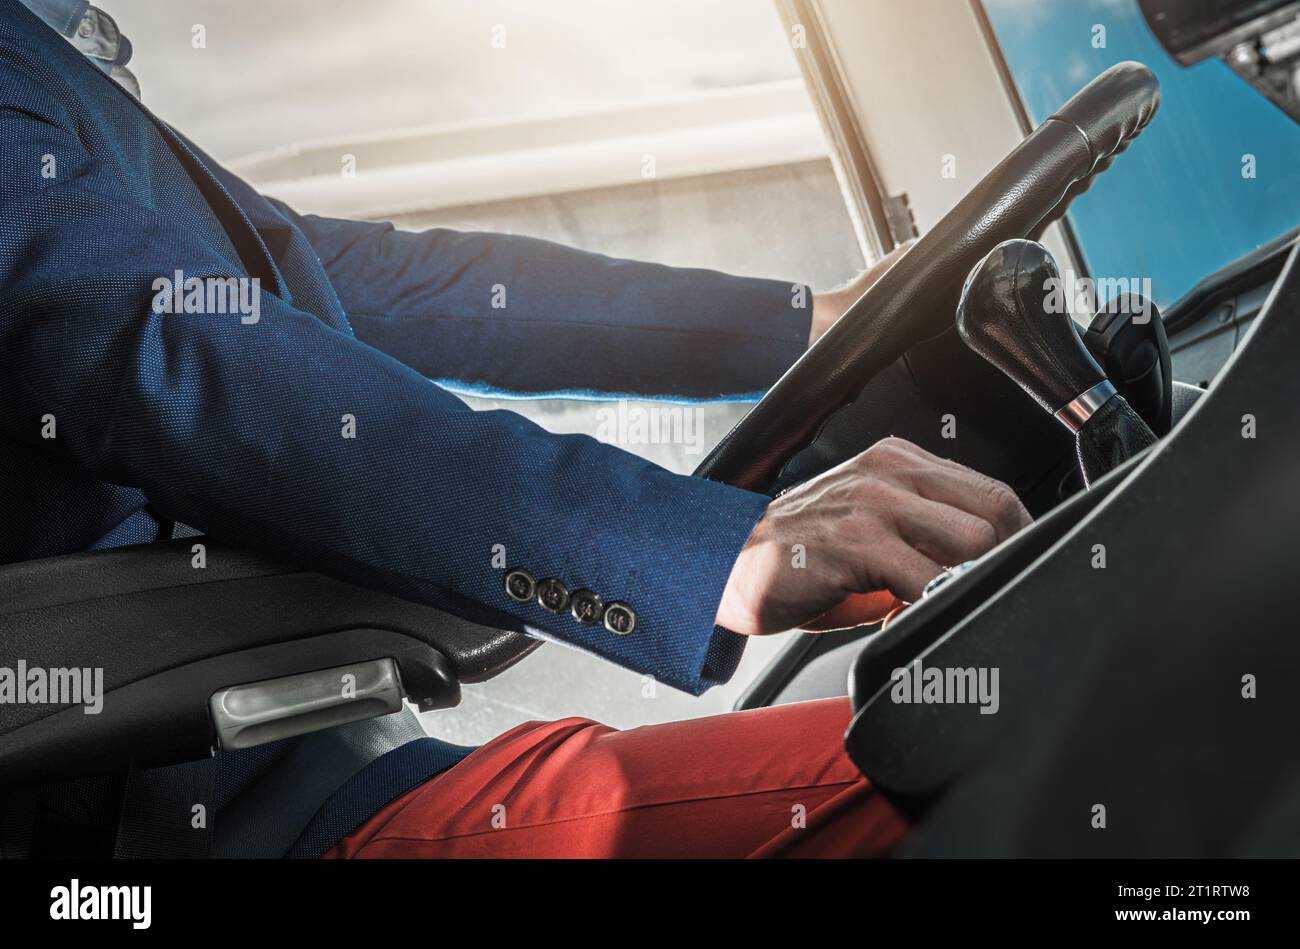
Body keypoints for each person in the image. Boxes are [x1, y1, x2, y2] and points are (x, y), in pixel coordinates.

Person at [1, 0, 1029, 856]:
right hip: (219, 822)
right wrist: (710, 554)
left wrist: (805, 323)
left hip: (325, 759)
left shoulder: (47, 59)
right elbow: (164, 349)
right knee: (1014, 739)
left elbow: (362, 277)